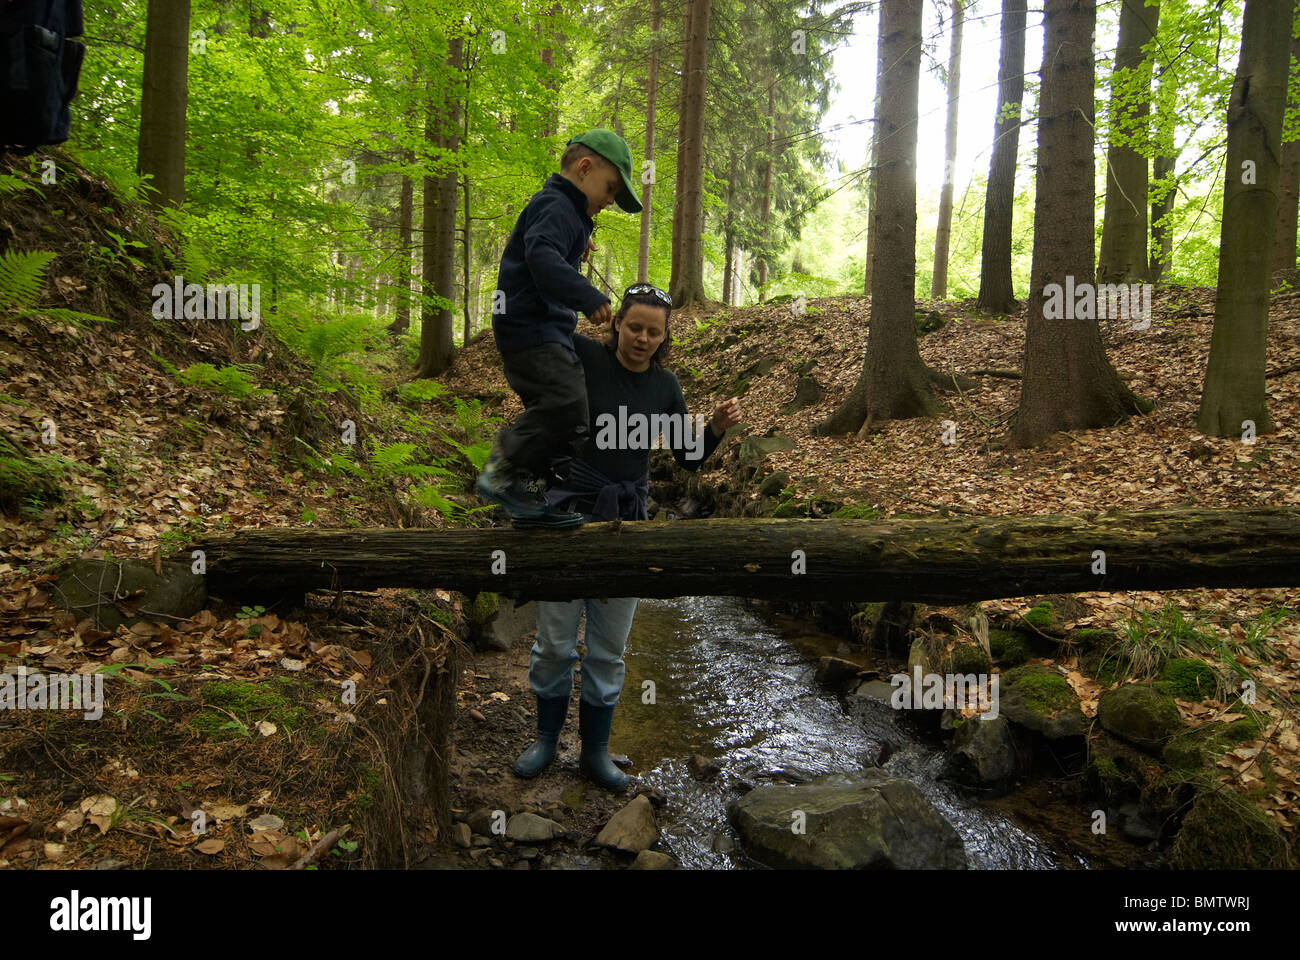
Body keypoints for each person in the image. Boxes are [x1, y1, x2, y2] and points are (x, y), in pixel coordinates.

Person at [512, 283, 743, 791]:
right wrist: (568, 275)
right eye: (634, 326)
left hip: (627, 525)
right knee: (553, 643)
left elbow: (686, 457)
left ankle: (595, 752)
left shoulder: (666, 387)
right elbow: (536, 324)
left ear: (664, 337)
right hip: (567, 513)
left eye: (653, 332)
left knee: (607, 650)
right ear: (617, 323)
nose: (642, 338)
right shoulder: (584, 356)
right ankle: (546, 740)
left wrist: (716, 429)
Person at [477, 129, 643, 527]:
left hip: (546, 331)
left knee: (572, 415)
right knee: (565, 403)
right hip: (530, 330)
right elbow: (540, 256)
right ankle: (502, 467)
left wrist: (576, 247)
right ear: (584, 169)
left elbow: (551, 251)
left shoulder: (568, 215)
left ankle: (531, 494)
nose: (608, 201)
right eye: (609, 189)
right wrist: (587, 295)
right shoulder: (555, 205)